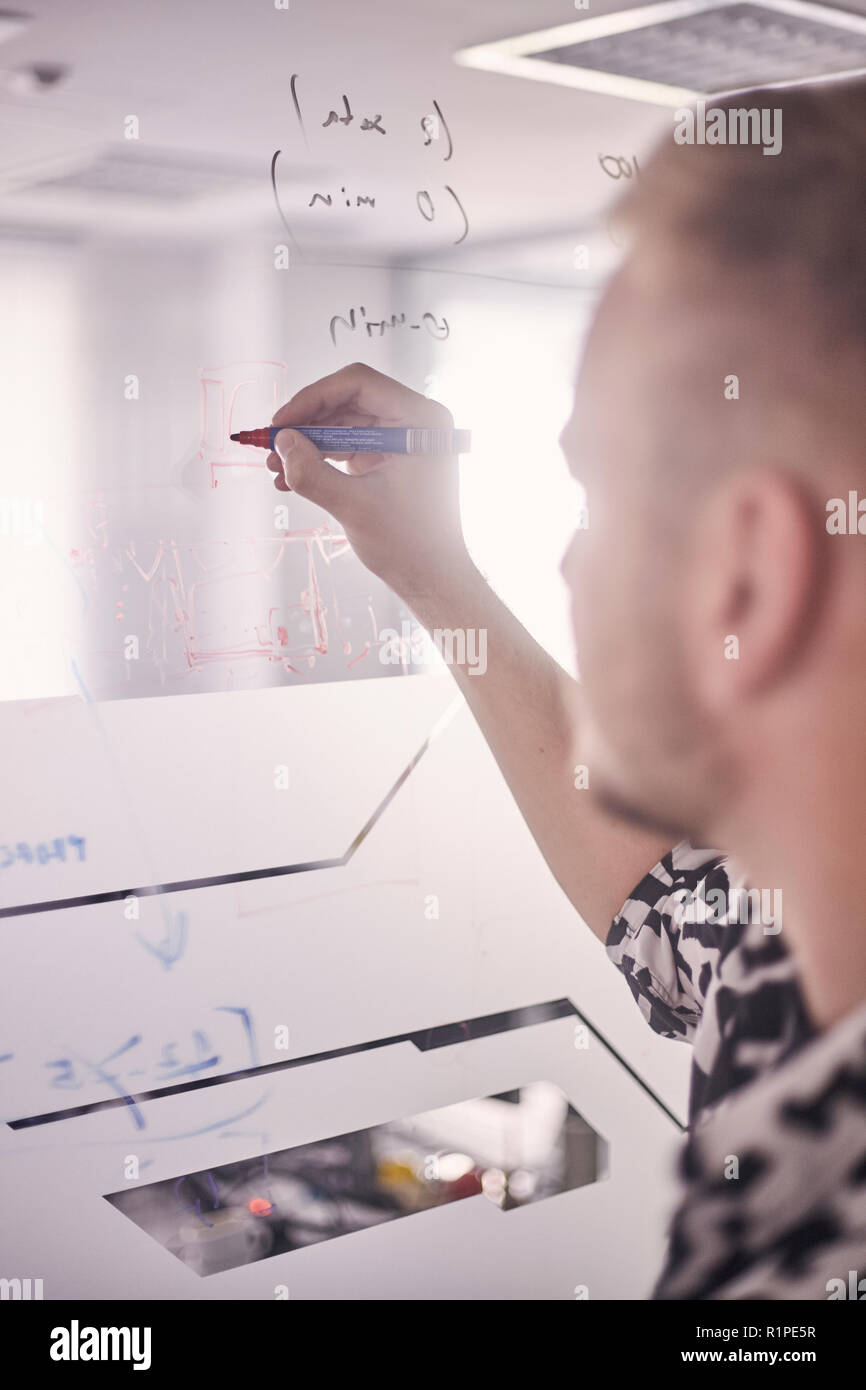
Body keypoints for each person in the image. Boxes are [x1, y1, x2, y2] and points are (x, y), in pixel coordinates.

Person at [264, 79, 866, 1299]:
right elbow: (659, 909)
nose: (571, 559)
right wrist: (434, 572)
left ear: (747, 573)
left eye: (596, 493)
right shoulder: (790, 968)